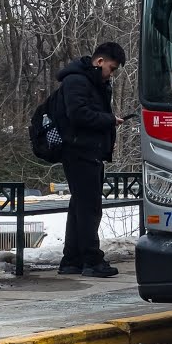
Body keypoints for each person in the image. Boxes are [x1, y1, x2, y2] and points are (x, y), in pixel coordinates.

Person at [55, 42, 126, 278]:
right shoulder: (77, 81)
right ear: (99, 62)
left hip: (87, 151)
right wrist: (109, 120)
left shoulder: (90, 82)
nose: (111, 74)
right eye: (111, 68)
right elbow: (77, 114)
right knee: (89, 208)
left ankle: (71, 260)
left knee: (80, 206)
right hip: (80, 151)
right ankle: (91, 260)